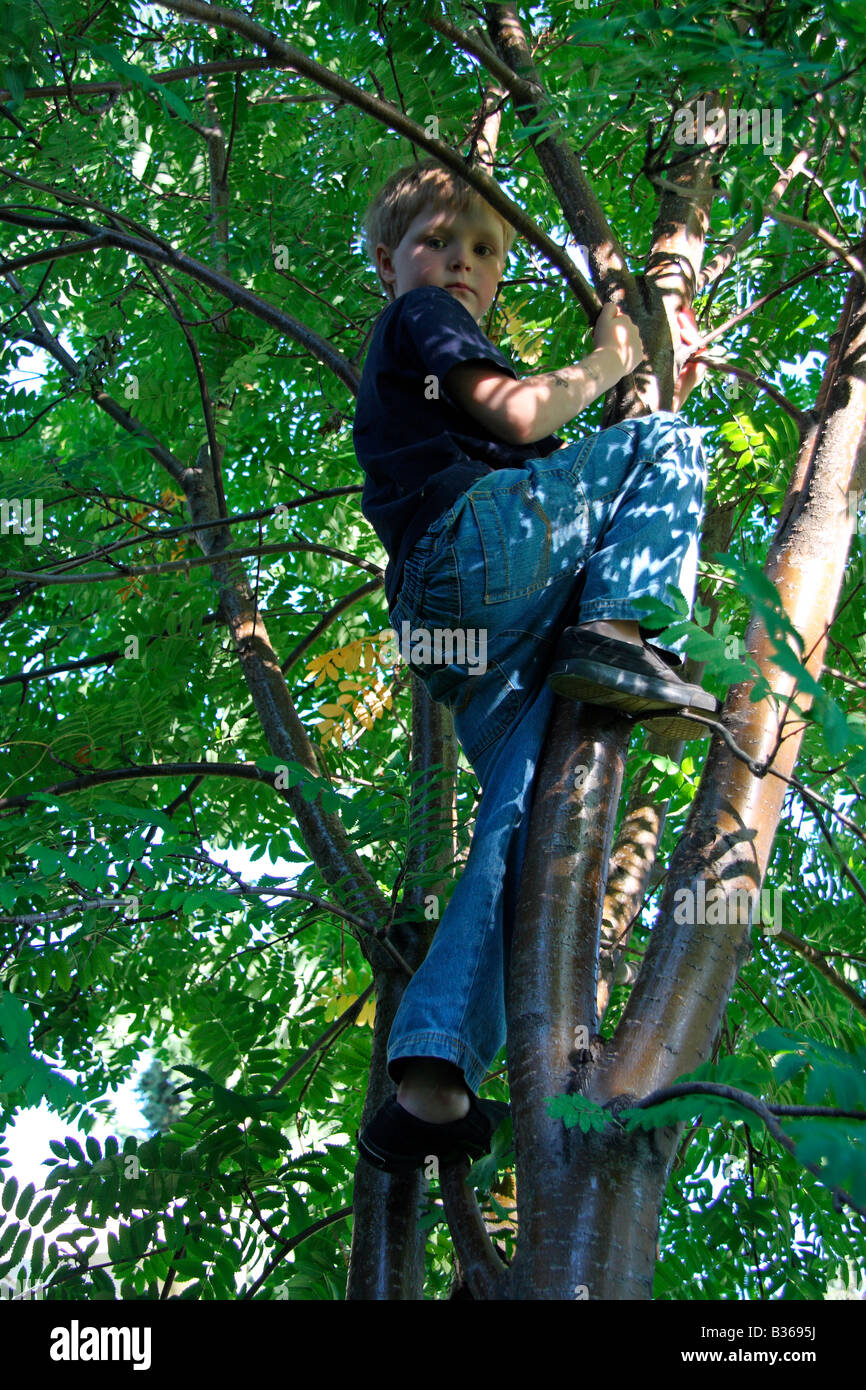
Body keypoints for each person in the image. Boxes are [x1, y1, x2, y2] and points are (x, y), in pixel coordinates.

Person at [351, 158, 717, 1173]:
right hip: (463, 556)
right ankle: (626, 633)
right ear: (388, 261)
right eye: (435, 242)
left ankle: (430, 1069)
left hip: (458, 626)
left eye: (481, 250)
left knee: (528, 825)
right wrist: (615, 362)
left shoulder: (436, 368)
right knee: (671, 446)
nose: (458, 263)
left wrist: (645, 364)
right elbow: (523, 419)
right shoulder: (419, 322)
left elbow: (548, 474)